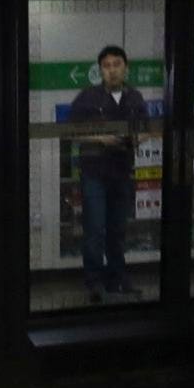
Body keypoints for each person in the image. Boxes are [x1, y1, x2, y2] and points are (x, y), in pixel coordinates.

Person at [64, 46, 150, 300]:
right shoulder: (87, 97)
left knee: (118, 229)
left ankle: (118, 280)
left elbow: (146, 129)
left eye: (116, 64)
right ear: (100, 70)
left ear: (126, 67)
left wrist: (136, 139)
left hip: (122, 171)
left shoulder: (135, 97)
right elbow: (71, 131)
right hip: (94, 173)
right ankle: (94, 282)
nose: (112, 70)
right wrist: (100, 138)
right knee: (95, 229)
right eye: (106, 66)